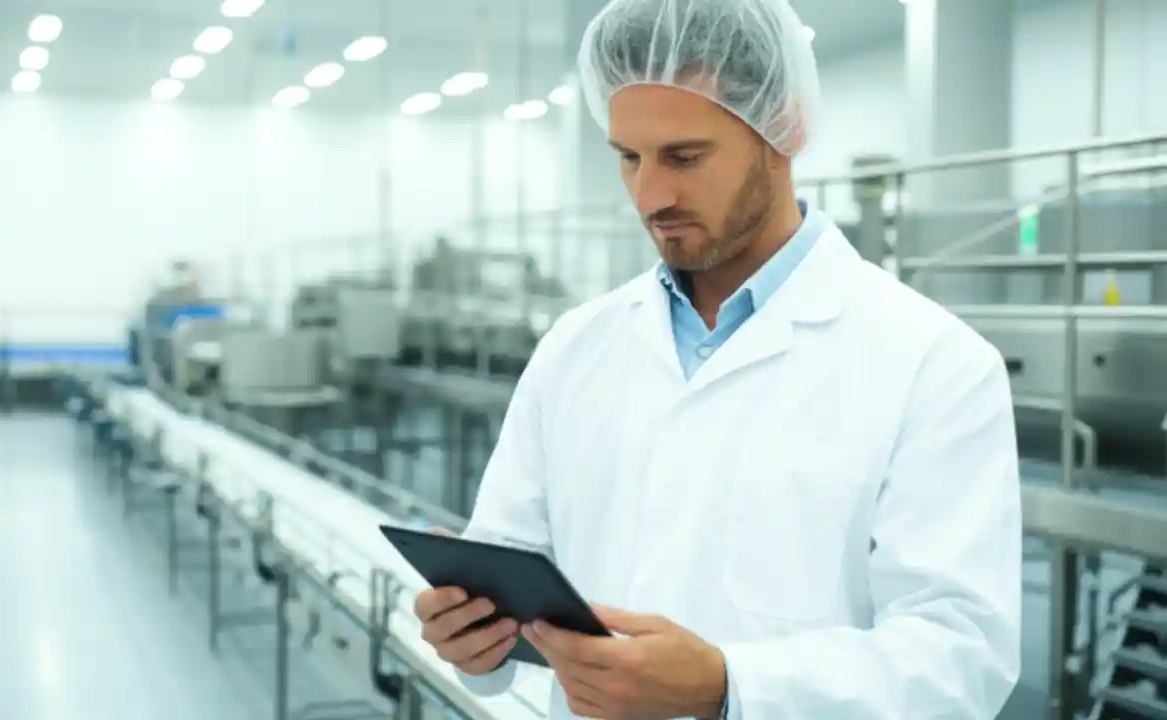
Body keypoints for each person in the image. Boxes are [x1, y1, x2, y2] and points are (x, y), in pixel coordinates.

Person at [413, 0, 1022, 718]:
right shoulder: (576, 348)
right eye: (628, 158)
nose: (651, 196)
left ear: (784, 129)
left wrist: (729, 684)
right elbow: (508, 558)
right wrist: (472, 638)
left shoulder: (933, 364)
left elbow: (958, 659)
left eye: (685, 157)